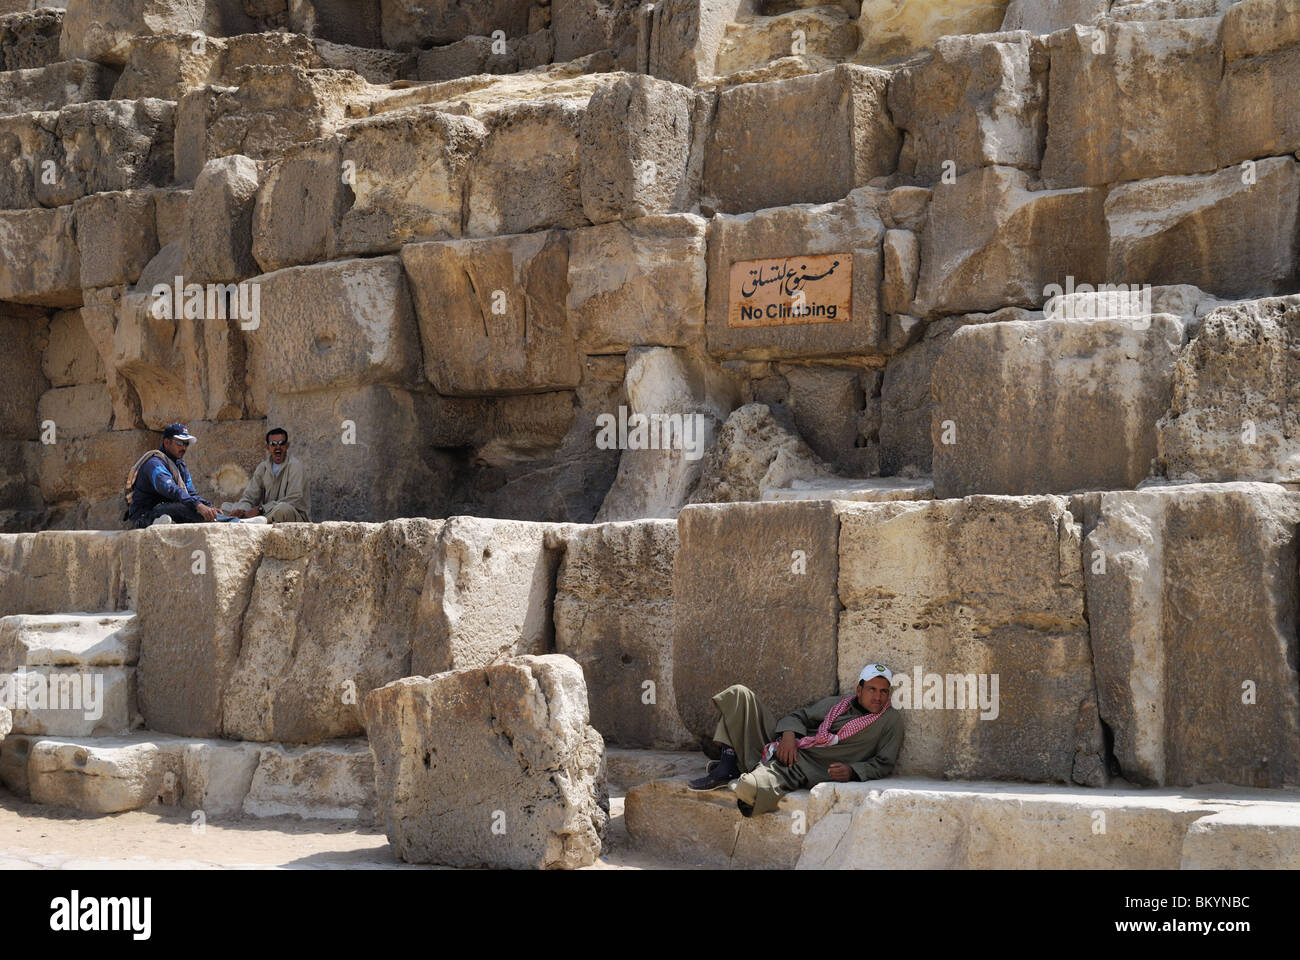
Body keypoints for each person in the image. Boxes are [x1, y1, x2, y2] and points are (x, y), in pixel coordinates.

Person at [687, 663, 903, 817]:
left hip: (795, 768)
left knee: (747, 788)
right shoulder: (838, 704)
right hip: (779, 746)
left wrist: (853, 771)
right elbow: (799, 716)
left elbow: (884, 763)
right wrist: (789, 736)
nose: (878, 697)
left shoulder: (889, 720)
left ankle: (739, 769)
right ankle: (728, 765)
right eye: (872, 689)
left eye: (884, 691)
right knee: (739, 694)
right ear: (859, 690)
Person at [124, 423, 219, 528]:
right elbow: (171, 489)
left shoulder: (180, 465)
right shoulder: (154, 464)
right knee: (187, 509)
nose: (184, 447)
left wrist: (210, 508)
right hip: (146, 515)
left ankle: (221, 518)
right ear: (167, 442)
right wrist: (198, 505)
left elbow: (191, 494)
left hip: (169, 509)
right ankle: (156, 522)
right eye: (180, 443)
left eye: (186, 444)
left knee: (199, 510)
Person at [226, 427, 310, 523]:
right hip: (265, 513)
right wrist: (242, 510)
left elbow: (295, 499)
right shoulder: (263, 467)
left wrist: (261, 509)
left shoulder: (295, 466)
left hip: (291, 516)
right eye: (273, 444)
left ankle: (251, 521)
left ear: (287, 446)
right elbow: (249, 497)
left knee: (283, 509)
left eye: (281, 443)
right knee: (226, 507)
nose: (277, 447)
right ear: (267, 447)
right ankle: (246, 520)